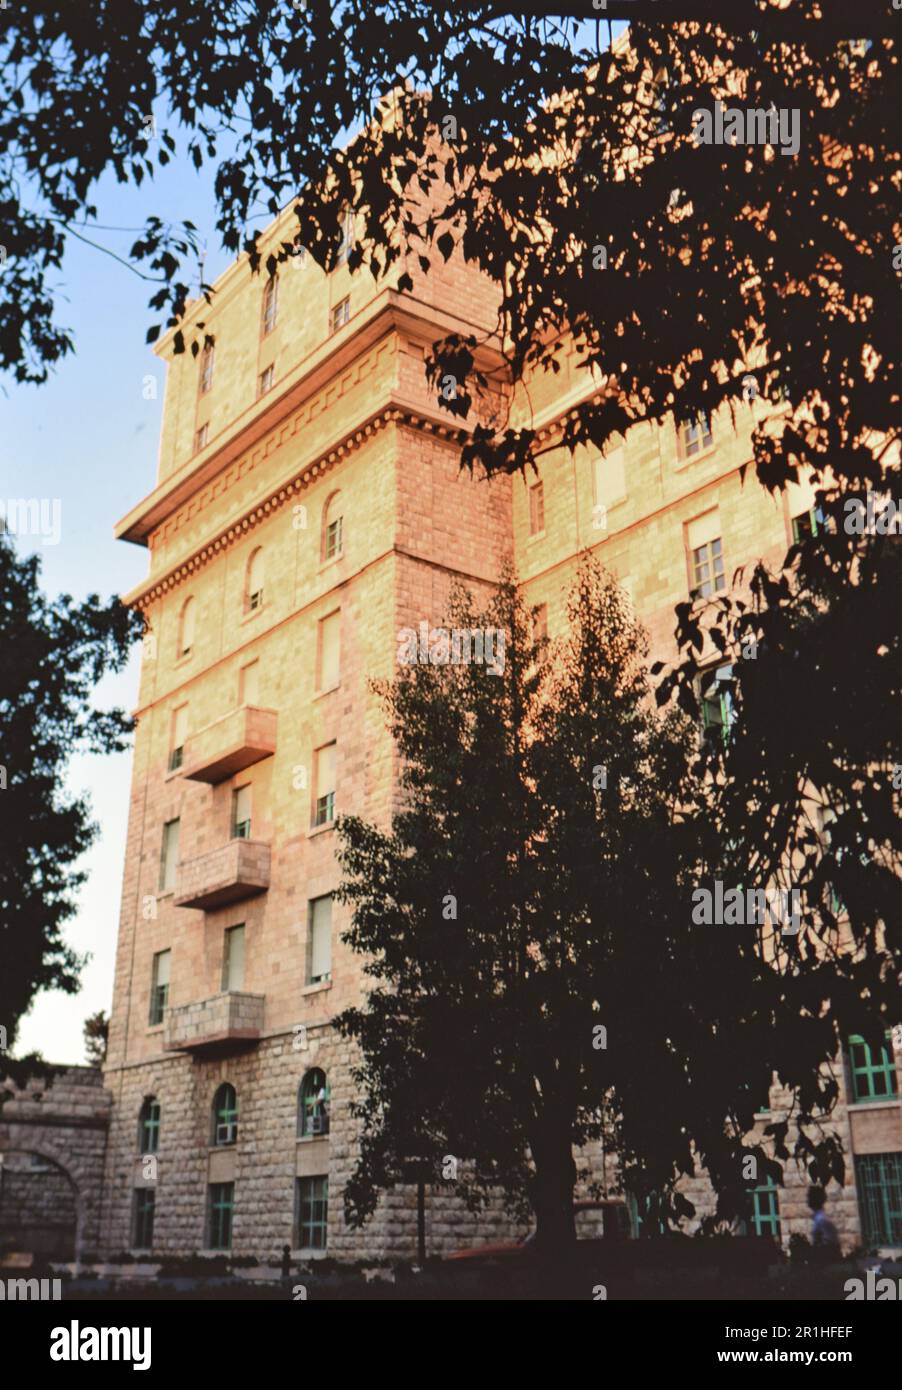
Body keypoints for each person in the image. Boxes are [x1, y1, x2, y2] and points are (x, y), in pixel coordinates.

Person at [808, 1186, 840, 1261]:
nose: (807, 1200)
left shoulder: (821, 1220)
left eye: (809, 1197)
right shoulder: (817, 1219)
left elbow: (830, 1244)